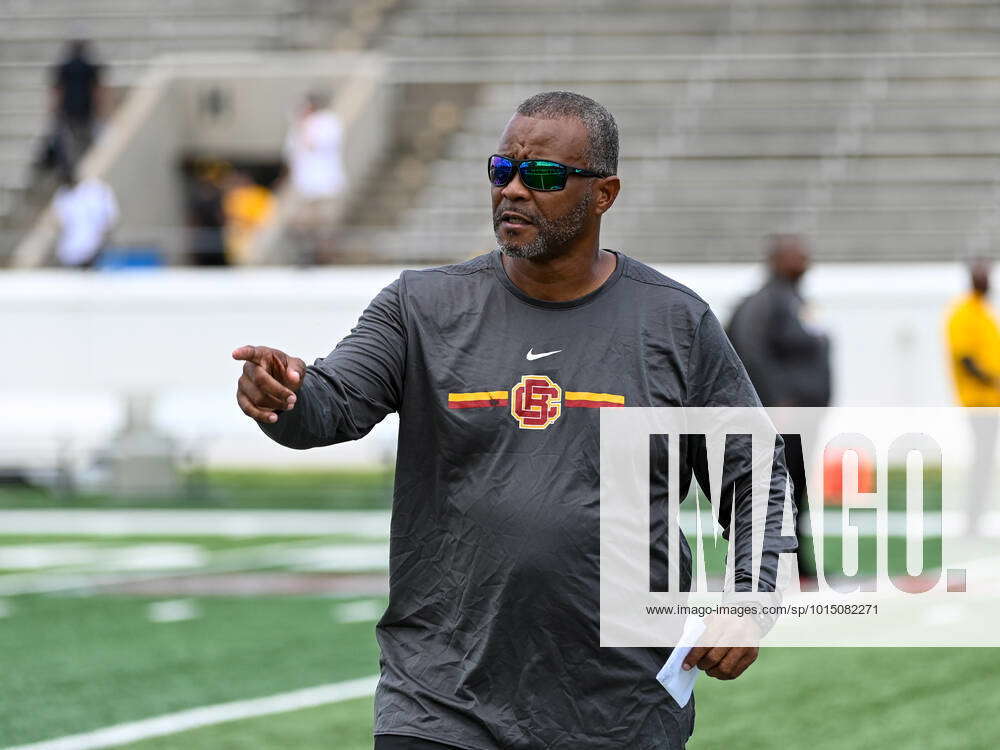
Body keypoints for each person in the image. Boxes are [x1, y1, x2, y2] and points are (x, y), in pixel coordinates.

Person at [234, 91, 794, 749]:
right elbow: (330, 404)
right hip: (440, 700)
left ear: (605, 194)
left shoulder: (674, 323)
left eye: (544, 177)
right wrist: (285, 396)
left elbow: (755, 474)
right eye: (502, 170)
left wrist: (749, 605)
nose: (515, 189)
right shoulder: (421, 306)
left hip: (617, 709)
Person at [727, 235, 831, 583]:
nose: (804, 259)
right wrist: (776, 400)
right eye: (795, 255)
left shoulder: (795, 300)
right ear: (775, 259)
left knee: (797, 489)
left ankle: (796, 562)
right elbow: (750, 352)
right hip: (782, 419)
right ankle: (775, 566)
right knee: (777, 490)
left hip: (804, 418)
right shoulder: (764, 302)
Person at [945, 259, 1000, 536]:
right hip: (978, 401)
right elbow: (965, 358)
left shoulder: (983, 311)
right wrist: (993, 379)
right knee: (982, 459)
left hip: (991, 401)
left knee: (986, 459)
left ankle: (976, 516)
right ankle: (972, 519)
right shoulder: (963, 312)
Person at [283, 92, 346, 264]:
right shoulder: (297, 128)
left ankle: (325, 261)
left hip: (326, 186)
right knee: (300, 225)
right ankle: (306, 258)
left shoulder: (327, 122)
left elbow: (315, 145)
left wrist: (304, 126)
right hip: (305, 188)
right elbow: (291, 156)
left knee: (325, 228)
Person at [47, 39, 105, 171]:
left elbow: (57, 90)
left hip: (71, 110)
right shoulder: (88, 67)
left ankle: (75, 168)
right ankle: (81, 166)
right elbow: (96, 90)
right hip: (84, 110)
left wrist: (53, 108)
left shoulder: (67, 67)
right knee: (80, 141)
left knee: (73, 142)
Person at [52, 165, 118, 268]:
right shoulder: (62, 196)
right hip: (72, 251)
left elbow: (109, 218)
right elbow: (59, 223)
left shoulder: (95, 189)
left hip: (93, 247)